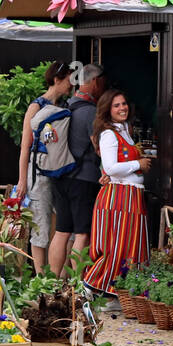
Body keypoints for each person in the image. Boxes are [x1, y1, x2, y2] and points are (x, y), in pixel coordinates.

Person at [84, 89, 151, 294]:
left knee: (128, 245)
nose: (122, 108)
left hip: (129, 195)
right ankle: (97, 287)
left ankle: (118, 293)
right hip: (120, 197)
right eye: (116, 105)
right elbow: (111, 167)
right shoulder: (109, 134)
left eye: (124, 104)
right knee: (117, 246)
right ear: (108, 110)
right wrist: (138, 164)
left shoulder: (124, 131)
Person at [49, 62, 106, 276]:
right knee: (82, 233)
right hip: (83, 179)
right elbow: (98, 147)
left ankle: (52, 282)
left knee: (61, 231)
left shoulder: (66, 106)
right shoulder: (91, 112)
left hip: (60, 176)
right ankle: (78, 284)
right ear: (95, 82)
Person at [16, 61, 73, 272]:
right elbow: (25, 146)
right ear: (57, 80)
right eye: (68, 80)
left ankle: (60, 276)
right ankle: (41, 277)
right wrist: (22, 180)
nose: (71, 84)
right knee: (40, 224)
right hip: (38, 172)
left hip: (61, 171)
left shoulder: (66, 106)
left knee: (63, 224)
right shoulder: (36, 106)